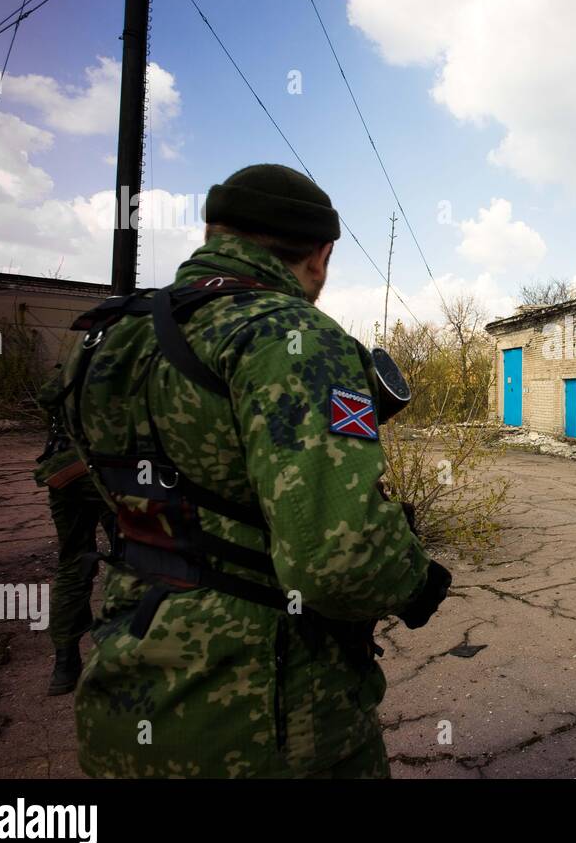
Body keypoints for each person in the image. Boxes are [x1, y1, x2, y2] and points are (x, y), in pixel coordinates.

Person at [53, 163, 450, 777]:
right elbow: (339, 560)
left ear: (214, 232)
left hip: (128, 683)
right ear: (320, 256)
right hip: (266, 717)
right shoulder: (290, 335)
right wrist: (416, 582)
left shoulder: (107, 335)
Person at [33, 371, 112, 696]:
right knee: (133, 560)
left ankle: (65, 664)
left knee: (73, 563)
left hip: (63, 472)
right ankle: (121, 653)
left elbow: (47, 397)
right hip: (106, 469)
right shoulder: (128, 356)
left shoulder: (75, 362)